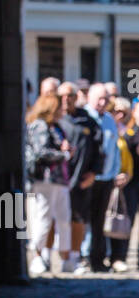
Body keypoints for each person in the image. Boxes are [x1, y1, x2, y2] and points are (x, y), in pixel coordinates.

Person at [23, 93, 71, 276]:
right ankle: (36, 257)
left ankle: (66, 261)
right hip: (46, 179)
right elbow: (41, 153)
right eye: (59, 107)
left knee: (63, 219)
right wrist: (64, 155)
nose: (63, 110)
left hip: (60, 179)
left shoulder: (56, 126)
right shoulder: (40, 125)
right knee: (43, 219)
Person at [56, 82, 99, 273]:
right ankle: (58, 259)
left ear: (77, 97)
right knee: (58, 219)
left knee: (79, 219)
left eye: (70, 95)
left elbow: (99, 149)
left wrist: (94, 173)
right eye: (62, 96)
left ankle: (76, 257)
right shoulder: (54, 120)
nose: (66, 99)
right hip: (59, 181)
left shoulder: (87, 120)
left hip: (81, 181)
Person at [83, 83, 121, 272]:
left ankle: (98, 258)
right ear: (90, 97)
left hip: (106, 178)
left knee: (99, 221)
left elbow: (114, 148)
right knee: (84, 218)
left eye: (106, 98)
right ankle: (84, 257)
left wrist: (115, 172)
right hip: (87, 178)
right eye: (99, 98)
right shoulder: (82, 117)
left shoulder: (109, 119)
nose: (103, 102)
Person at [108, 97, 134, 272]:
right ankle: (105, 255)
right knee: (107, 219)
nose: (119, 115)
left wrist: (127, 175)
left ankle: (119, 256)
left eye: (123, 112)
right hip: (108, 180)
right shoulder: (109, 129)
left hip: (127, 182)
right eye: (116, 111)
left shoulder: (129, 133)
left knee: (123, 221)